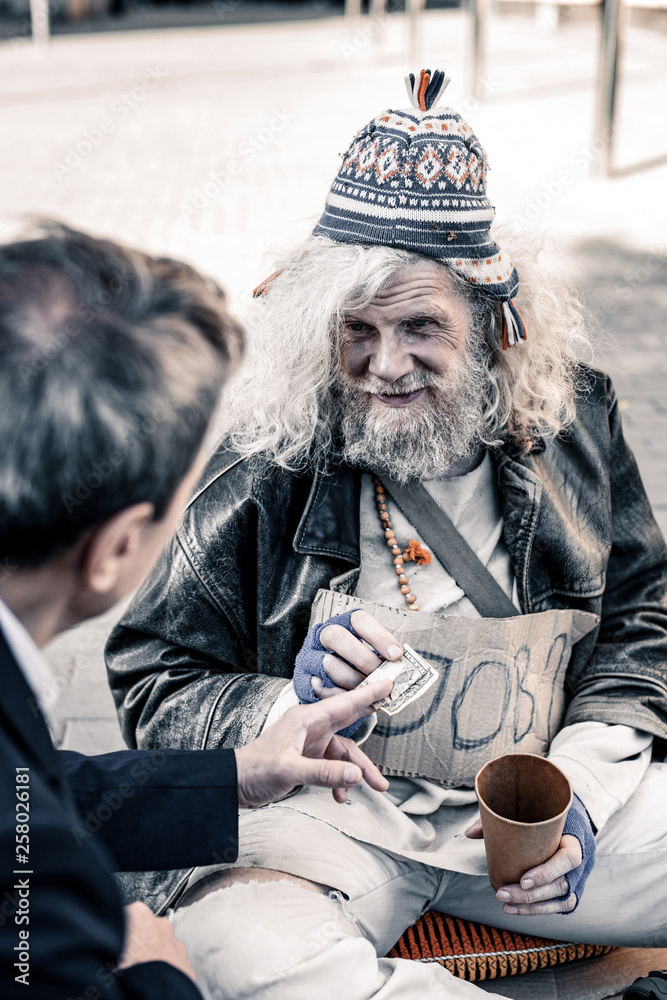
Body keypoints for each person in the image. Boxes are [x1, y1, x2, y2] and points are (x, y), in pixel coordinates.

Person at [105, 71, 667, 1000]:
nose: (385, 364)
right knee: (241, 953)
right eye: (355, 330)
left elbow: (643, 612)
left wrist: (581, 790)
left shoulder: (572, 418)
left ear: (490, 325)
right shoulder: (267, 456)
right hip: (327, 817)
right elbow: (150, 676)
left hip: (537, 808)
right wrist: (280, 703)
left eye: (419, 326)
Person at [0, 223, 394, 1000]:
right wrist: (157, 970)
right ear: (117, 548)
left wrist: (236, 775)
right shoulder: (48, 906)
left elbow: (31, 794)